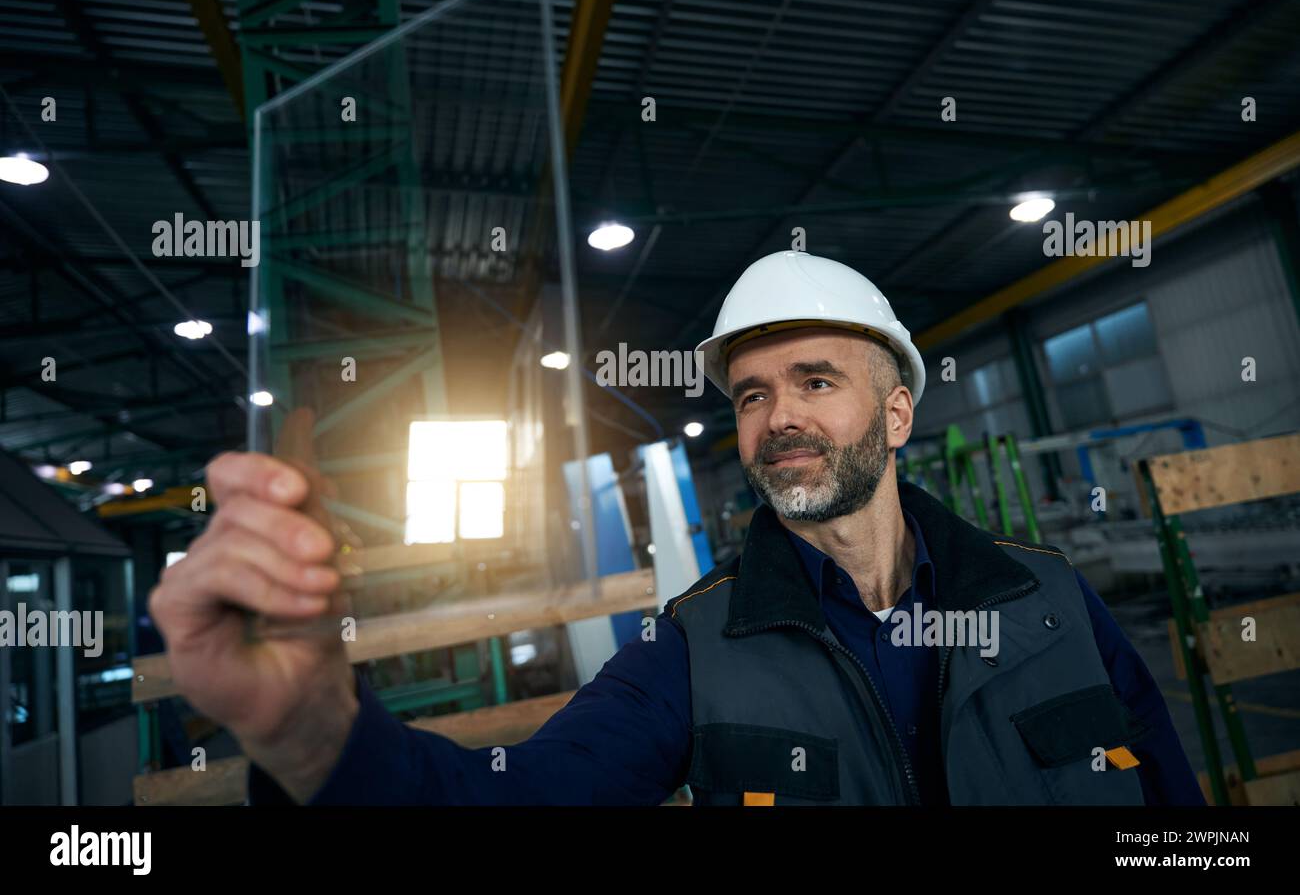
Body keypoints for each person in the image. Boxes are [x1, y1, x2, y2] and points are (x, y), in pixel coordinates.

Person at [150, 250, 1204, 805]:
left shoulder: (1052, 599)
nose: (777, 415)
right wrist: (313, 733)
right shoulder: (690, 651)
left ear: (895, 412)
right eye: (750, 394)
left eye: (815, 379)